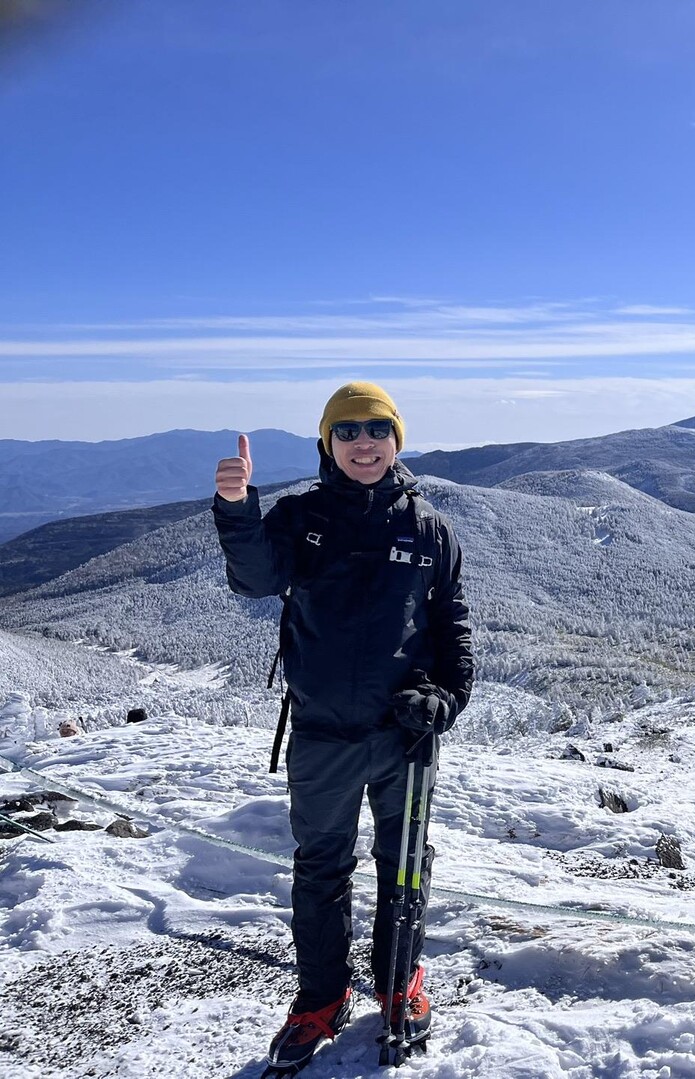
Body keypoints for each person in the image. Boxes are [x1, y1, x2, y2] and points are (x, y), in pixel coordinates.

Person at [212, 382, 474, 1072]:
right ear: (327, 442)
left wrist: (445, 697)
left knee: (405, 867)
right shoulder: (303, 516)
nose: (365, 442)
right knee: (320, 868)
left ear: (397, 440)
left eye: (378, 429)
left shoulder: (428, 530)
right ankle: (320, 999)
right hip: (322, 733)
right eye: (349, 430)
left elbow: (453, 629)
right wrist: (239, 512)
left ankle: (399, 985)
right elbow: (256, 579)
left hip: (405, 735)